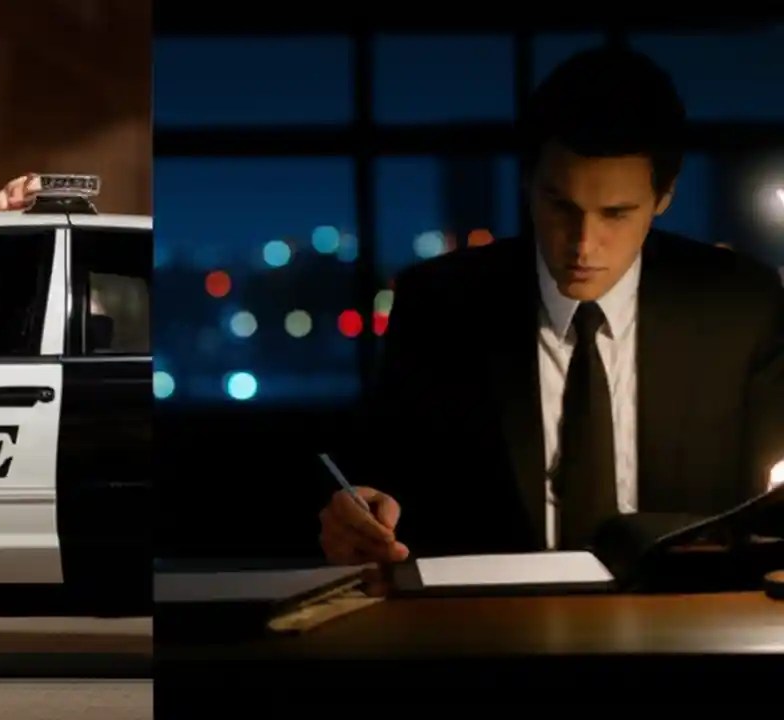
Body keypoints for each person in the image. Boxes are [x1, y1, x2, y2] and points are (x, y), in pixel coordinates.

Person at [318, 46, 784, 566]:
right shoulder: (441, 306)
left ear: (665, 196)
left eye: (616, 213)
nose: (583, 244)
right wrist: (358, 518)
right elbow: (378, 487)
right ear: (527, 183)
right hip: (494, 630)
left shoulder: (741, 307)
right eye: (560, 206)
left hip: (687, 624)